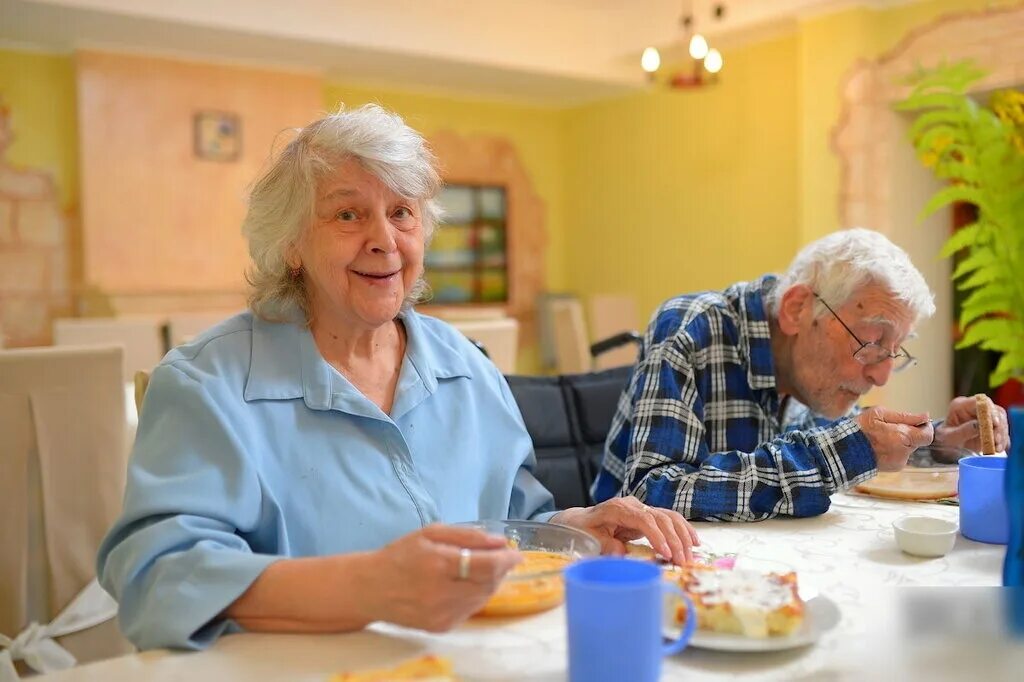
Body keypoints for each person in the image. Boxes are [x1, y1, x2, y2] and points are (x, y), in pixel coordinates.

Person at [96, 105, 698, 651]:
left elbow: (510, 522)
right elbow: (157, 581)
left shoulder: (469, 368)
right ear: (292, 246)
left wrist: (569, 531)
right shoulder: (209, 384)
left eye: (401, 213)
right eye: (348, 213)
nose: (383, 240)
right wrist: (368, 585)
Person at [592, 228, 1010, 521]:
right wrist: (840, 454)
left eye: (893, 351)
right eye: (870, 344)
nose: (882, 377)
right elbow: (650, 493)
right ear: (796, 309)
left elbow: (846, 441)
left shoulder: (813, 370)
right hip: (637, 574)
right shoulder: (692, 329)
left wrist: (939, 441)